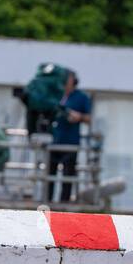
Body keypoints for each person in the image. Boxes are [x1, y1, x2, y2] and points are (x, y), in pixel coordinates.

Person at [49, 72, 92, 203]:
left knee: (68, 176)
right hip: (54, 141)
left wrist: (78, 116)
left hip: (71, 143)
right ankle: (48, 201)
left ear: (73, 80)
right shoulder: (56, 95)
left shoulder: (82, 97)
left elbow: (89, 118)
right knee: (50, 174)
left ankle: (64, 203)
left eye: (66, 79)